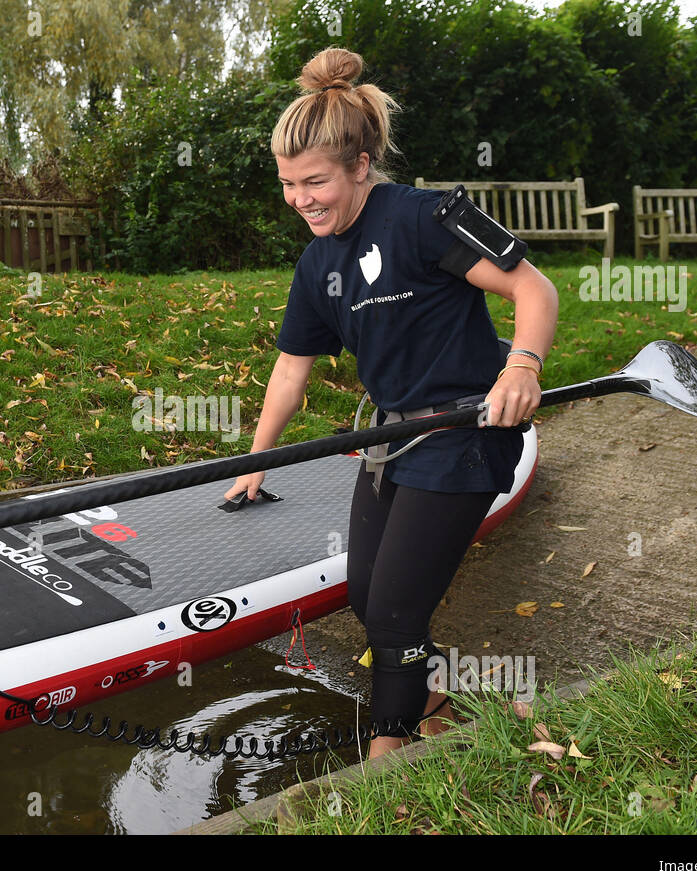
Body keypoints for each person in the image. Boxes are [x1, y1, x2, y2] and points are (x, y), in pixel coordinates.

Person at [224, 47, 558, 759]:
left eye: (314, 181)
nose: (300, 199)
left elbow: (535, 289)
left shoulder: (426, 217)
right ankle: (433, 697)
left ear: (361, 164)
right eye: (287, 184)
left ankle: (390, 752)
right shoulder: (318, 263)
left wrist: (522, 365)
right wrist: (257, 461)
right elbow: (290, 369)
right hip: (391, 441)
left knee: (398, 612)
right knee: (367, 598)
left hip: (467, 430)